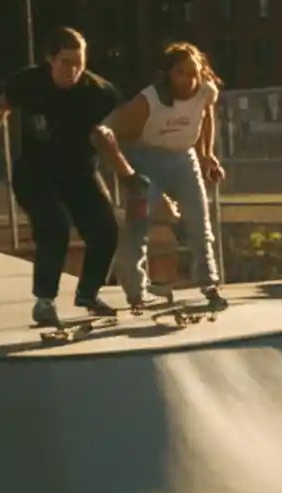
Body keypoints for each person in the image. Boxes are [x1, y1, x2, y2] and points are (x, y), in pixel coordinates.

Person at [0, 27, 121, 325]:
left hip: (79, 172)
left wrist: (127, 172)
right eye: (66, 62)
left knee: (106, 228)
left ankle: (88, 292)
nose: (73, 70)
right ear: (50, 60)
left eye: (79, 62)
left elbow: (119, 130)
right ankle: (44, 301)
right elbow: (1, 107)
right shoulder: (29, 81)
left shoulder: (98, 92)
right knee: (55, 226)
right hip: (35, 173)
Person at [91, 42, 227, 311]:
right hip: (143, 157)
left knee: (199, 220)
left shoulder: (205, 92)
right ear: (168, 74)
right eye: (181, 73)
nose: (189, 80)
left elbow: (206, 115)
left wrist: (206, 153)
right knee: (141, 223)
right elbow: (106, 131)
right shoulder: (148, 101)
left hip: (183, 157)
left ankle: (209, 284)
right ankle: (136, 291)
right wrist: (127, 172)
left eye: (194, 73)